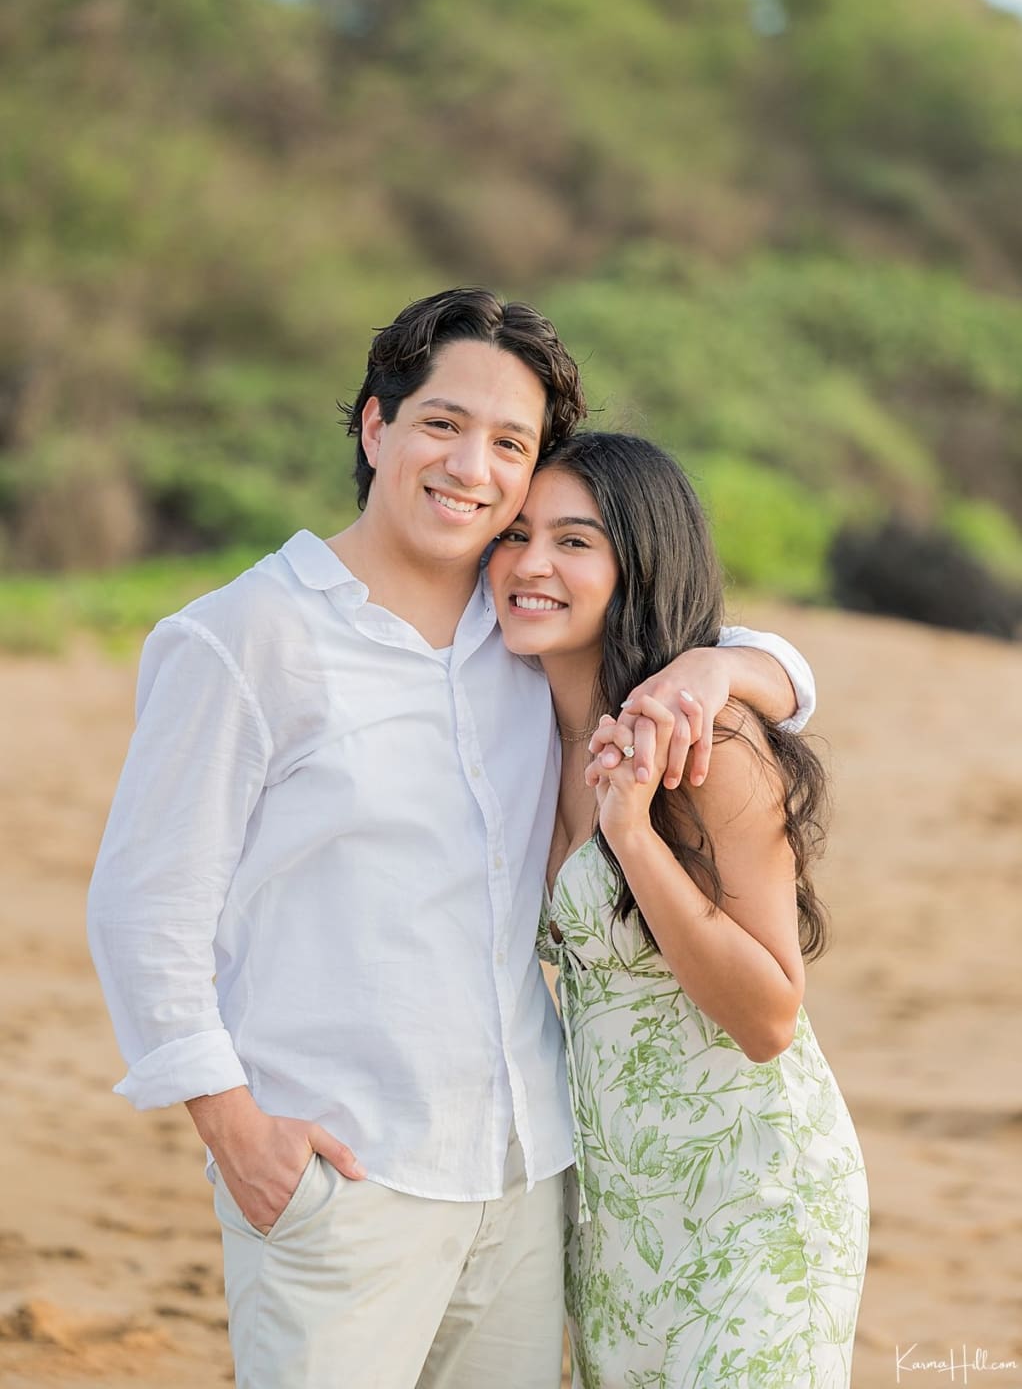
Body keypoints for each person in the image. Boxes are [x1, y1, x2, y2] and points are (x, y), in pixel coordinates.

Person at [87, 289, 818, 1389]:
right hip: (341, 1178)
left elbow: (694, 631)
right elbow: (145, 908)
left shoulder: (516, 627)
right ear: (377, 427)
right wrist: (234, 1130)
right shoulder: (245, 638)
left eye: (508, 444)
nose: (470, 465)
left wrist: (724, 666)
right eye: (441, 423)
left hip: (529, 1180)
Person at [488, 431, 868, 1389]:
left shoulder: (709, 743)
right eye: (516, 534)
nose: (532, 564)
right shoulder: (513, 734)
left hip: (755, 1199)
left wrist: (634, 839)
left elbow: (770, 1014)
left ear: (639, 567)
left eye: (575, 543)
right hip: (617, 1217)